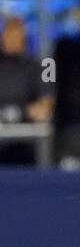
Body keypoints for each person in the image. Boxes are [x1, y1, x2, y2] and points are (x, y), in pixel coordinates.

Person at [0, 15, 54, 164]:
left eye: (17, 34)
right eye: (10, 34)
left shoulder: (39, 67)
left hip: (26, 145)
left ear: (23, 37)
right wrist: (23, 112)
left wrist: (19, 112)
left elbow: (45, 107)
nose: (13, 39)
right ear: (3, 36)